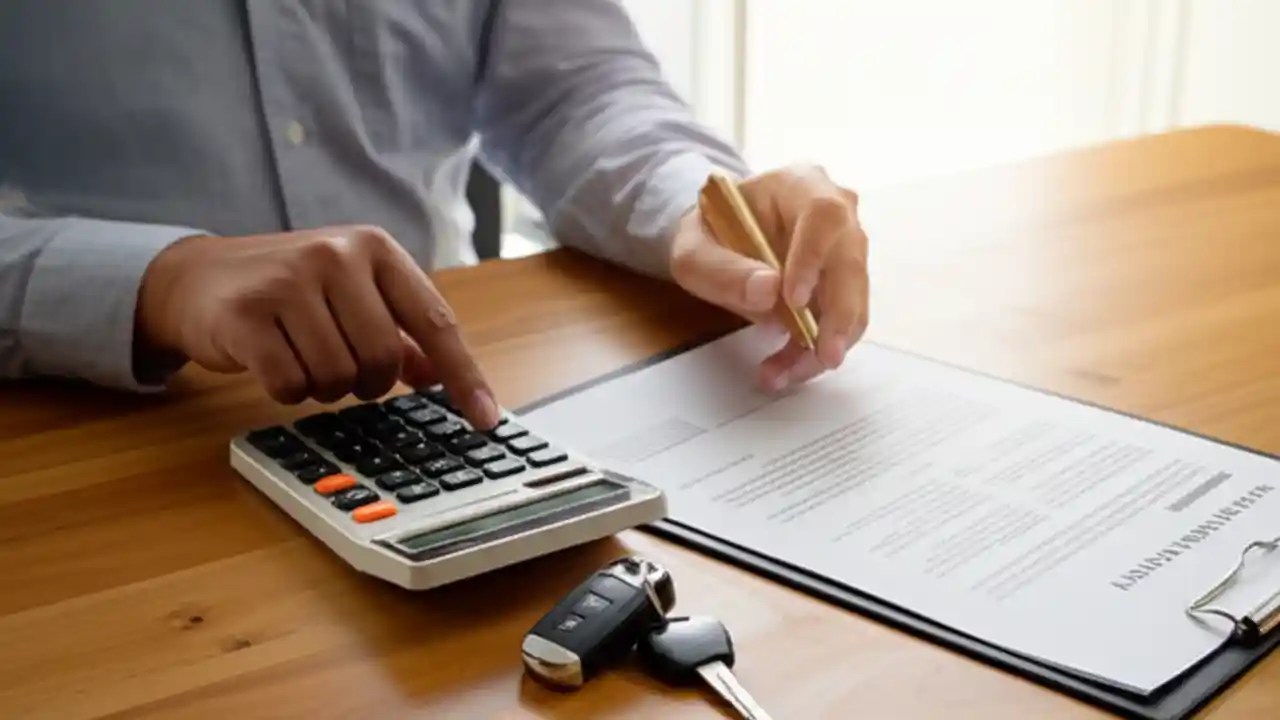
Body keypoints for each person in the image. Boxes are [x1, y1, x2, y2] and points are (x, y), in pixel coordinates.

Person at [0, 1, 869, 431]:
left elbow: (576, 88)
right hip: (97, 435)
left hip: (430, 403)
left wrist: (691, 198)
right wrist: (158, 281)